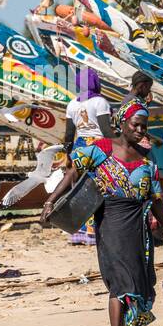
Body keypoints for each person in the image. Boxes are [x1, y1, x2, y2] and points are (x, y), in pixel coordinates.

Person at [43, 99, 163, 326]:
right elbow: (72, 173)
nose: (140, 130)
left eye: (144, 126)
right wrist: (51, 201)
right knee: (120, 283)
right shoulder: (102, 149)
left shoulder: (147, 164)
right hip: (110, 223)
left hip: (139, 231)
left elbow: (156, 203)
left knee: (142, 285)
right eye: (135, 125)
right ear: (122, 124)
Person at [64, 67, 112, 246]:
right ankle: (94, 232)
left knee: (80, 189)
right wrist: (121, 145)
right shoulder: (100, 102)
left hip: (79, 147)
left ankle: (80, 232)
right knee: (98, 187)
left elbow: (69, 135)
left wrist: (68, 156)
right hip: (98, 147)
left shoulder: (72, 104)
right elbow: (106, 130)